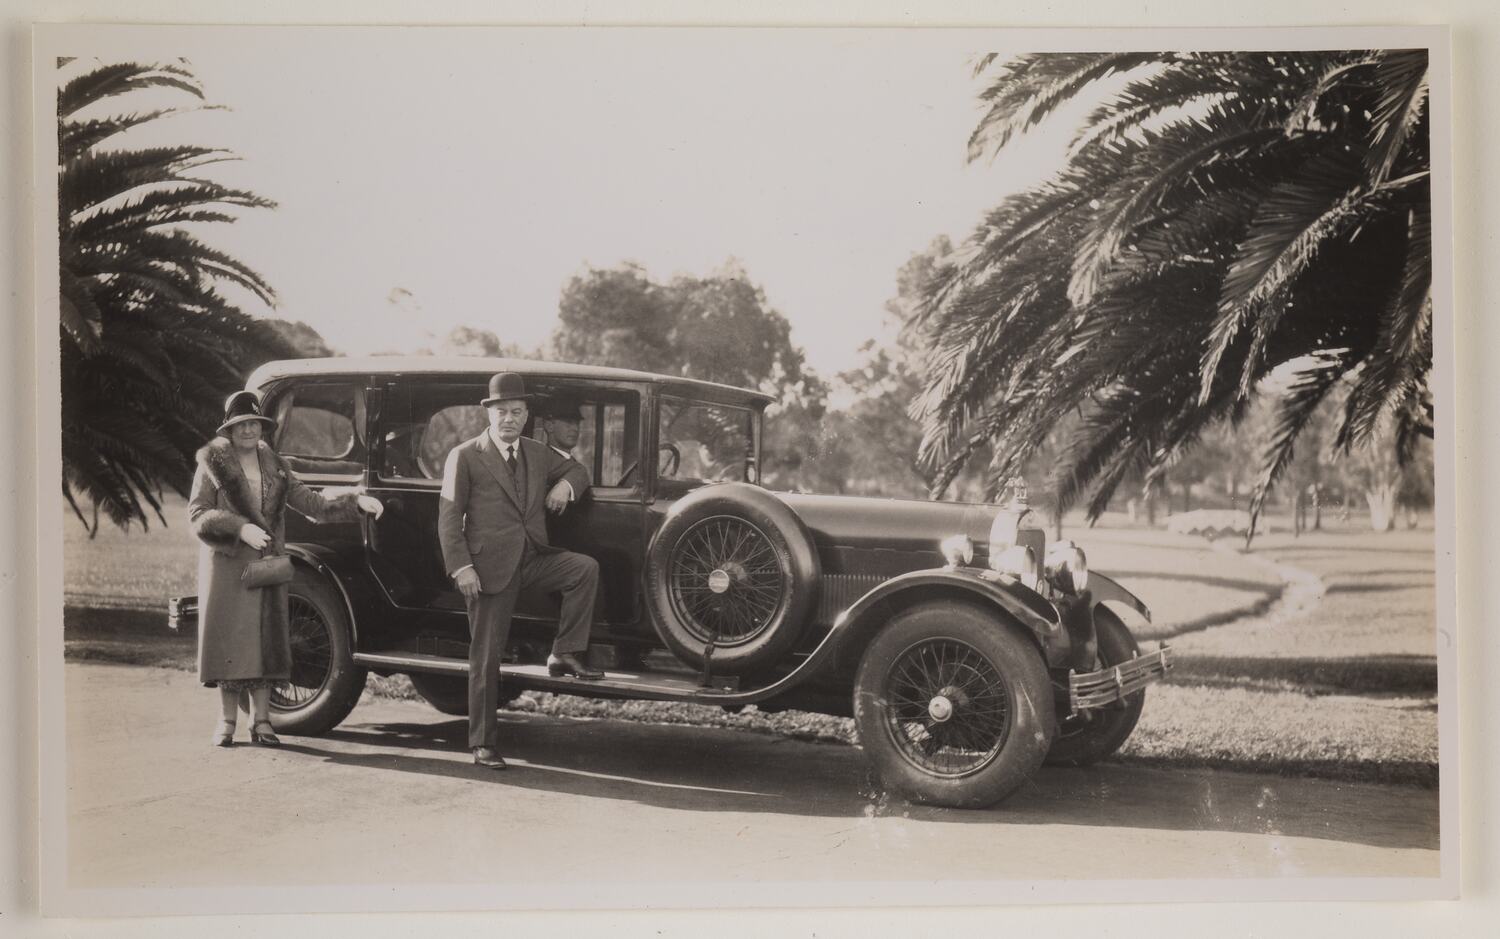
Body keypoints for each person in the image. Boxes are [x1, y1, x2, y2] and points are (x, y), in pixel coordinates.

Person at [188, 390, 384, 748]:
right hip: (228, 566)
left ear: (263, 428)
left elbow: (312, 503)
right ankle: (227, 721)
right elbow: (198, 515)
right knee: (231, 645)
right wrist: (239, 528)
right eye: (240, 425)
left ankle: (262, 722)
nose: (249, 431)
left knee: (267, 643)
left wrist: (356, 501)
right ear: (229, 430)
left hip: (267, 564)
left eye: (254, 424)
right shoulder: (212, 463)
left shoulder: (276, 464)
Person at [438, 372, 603, 770]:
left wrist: (565, 487)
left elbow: (578, 470)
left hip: (533, 559)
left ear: (527, 415)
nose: (509, 419)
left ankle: (564, 652)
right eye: (501, 412)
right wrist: (462, 567)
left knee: (583, 569)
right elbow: (448, 517)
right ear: (488, 413)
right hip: (488, 569)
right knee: (487, 657)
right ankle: (482, 744)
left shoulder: (536, 451)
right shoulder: (464, 455)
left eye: (516, 411)